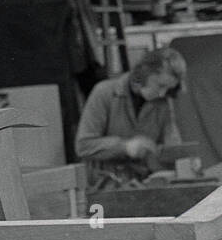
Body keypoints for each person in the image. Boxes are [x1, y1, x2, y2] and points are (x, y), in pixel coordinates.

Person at [74, 46, 186, 188]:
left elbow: (172, 145)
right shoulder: (104, 93)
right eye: (160, 85)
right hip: (102, 186)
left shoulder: (163, 103)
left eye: (168, 89)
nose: (163, 93)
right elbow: (83, 146)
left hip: (142, 185)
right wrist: (125, 147)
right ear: (144, 73)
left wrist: (184, 159)